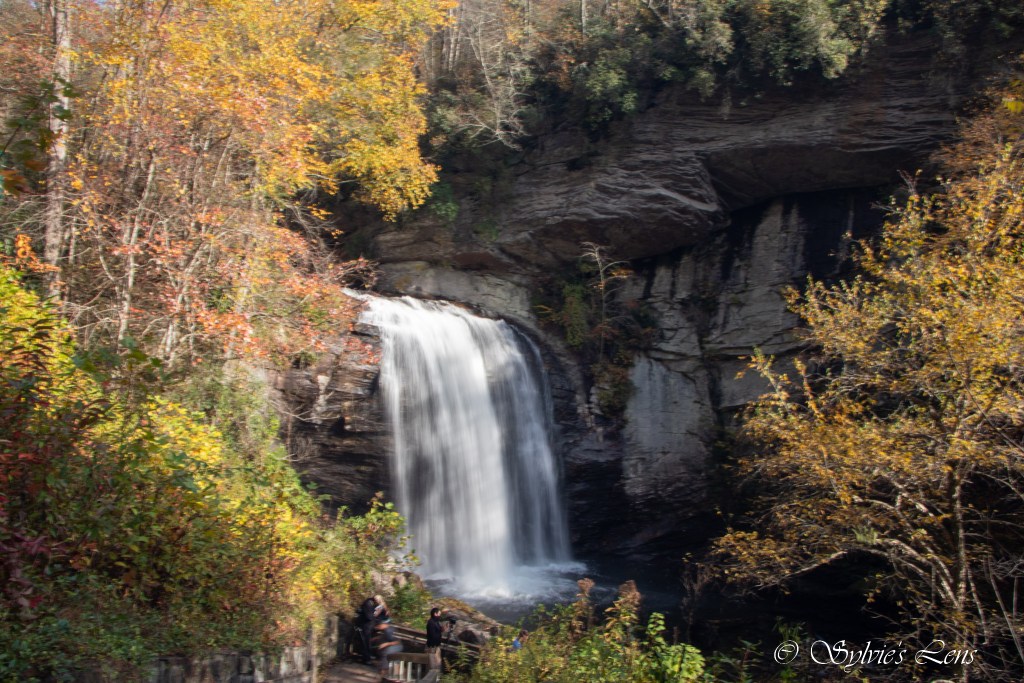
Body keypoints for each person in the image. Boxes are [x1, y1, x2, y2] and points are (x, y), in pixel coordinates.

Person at [354, 595, 378, 664]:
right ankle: (367, 658)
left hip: (367, 626)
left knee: (366, 642)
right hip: (367, 626)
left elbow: (369, 616)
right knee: (366, 643)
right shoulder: (369, 603)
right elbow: (370, 616)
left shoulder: (368, 603)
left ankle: (367, 658)